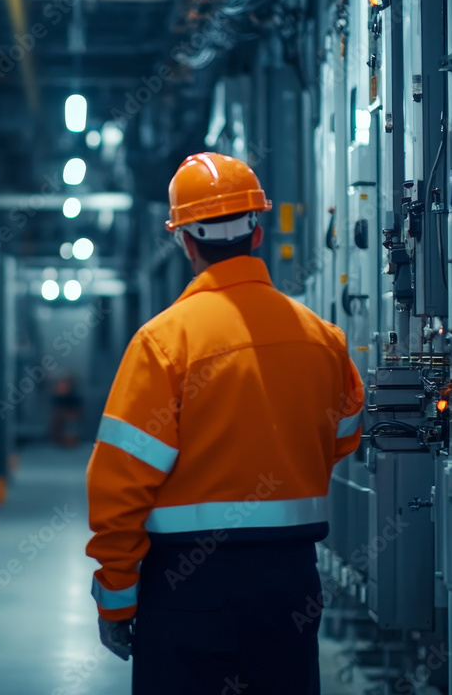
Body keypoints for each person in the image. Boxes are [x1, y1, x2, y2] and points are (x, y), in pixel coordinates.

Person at [85, 152, 364, 694]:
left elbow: (118, 489)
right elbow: (344, 436)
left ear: (184, 242)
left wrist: (117, 600)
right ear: (256, 233)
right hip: (291, 585)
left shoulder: (163, 344)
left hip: (188, 585)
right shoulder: (323, 340)